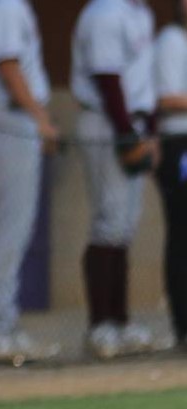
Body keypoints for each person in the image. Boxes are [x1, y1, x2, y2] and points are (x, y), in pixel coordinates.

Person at [73, 0, 170, 360]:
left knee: (126, 225)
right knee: (108, 223)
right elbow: (107, 78)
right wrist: (128, 136)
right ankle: (101, 325)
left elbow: (146, 82)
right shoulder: (104, 13)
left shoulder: (140, 13)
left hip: (136, 124)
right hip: (106, 123)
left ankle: (121, 321)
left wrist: (152, 132)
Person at [0, 0, 61, 365]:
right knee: (9, 227)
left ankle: (2, 323)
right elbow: (8, 66)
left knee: (13, 228)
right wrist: (41, 118)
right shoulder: (2, 5)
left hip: (12, 121)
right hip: (7, 120)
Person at [158, 0, 187, 347]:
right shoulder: (170, 40)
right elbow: (166, 98)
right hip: (180, 142)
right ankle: (183, 325)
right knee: (182, 235)